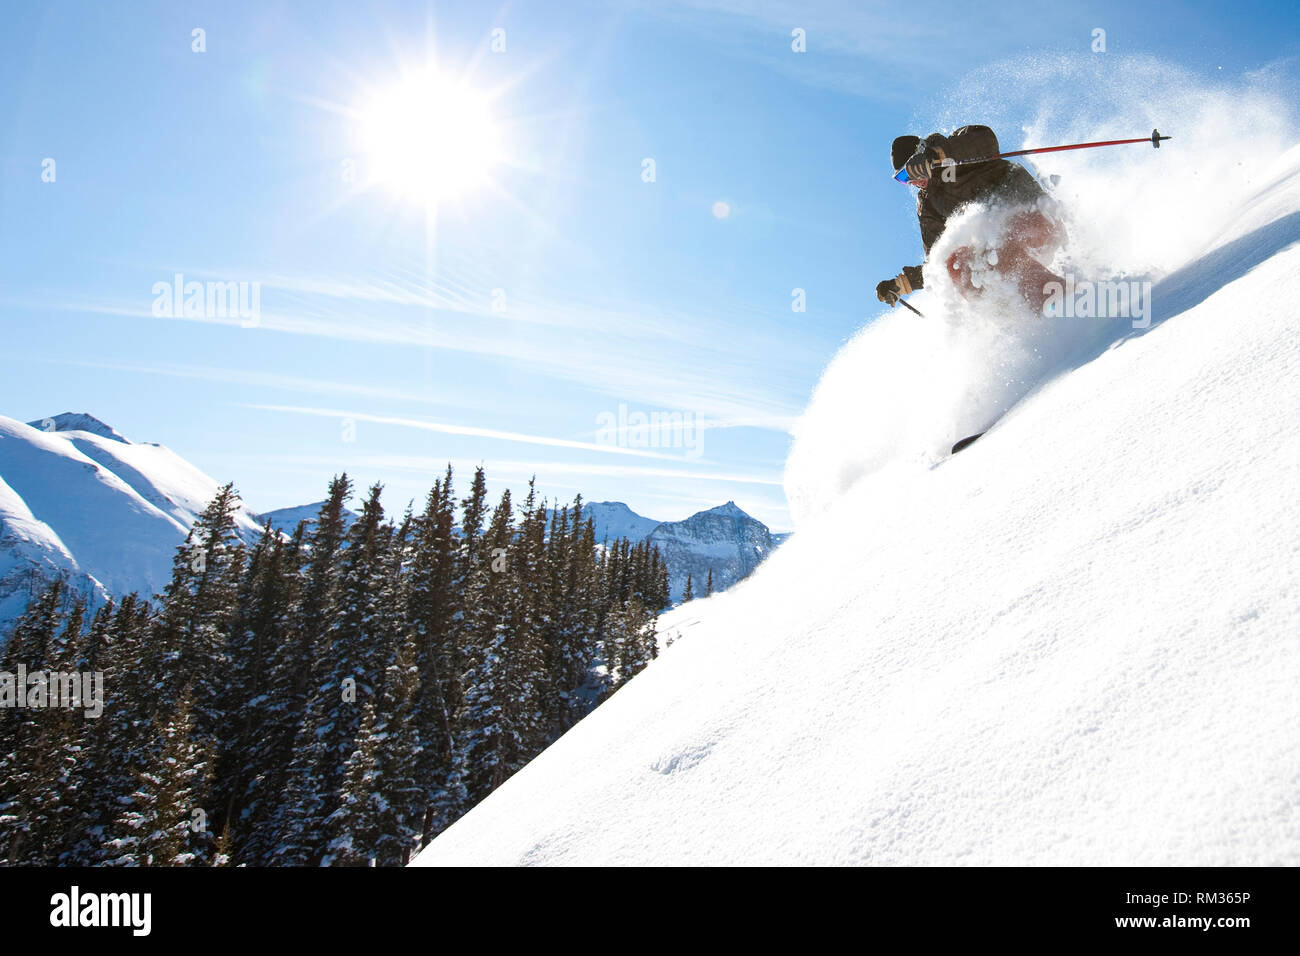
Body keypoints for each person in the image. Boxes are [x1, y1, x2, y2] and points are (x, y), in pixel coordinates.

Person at [876, 125, 1065, 312]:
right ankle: (1012, 322)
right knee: (956, 264)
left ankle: (1062, 301)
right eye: (902, 178)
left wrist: (935, 155)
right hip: (1002, 253)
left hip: (1034, 217)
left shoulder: (953, 153)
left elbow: (986, 140)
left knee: (994, 248)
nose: (912, 181)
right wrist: (904, 283)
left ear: (921, 155)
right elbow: (937, 260)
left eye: (910, 171)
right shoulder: (928, 205)